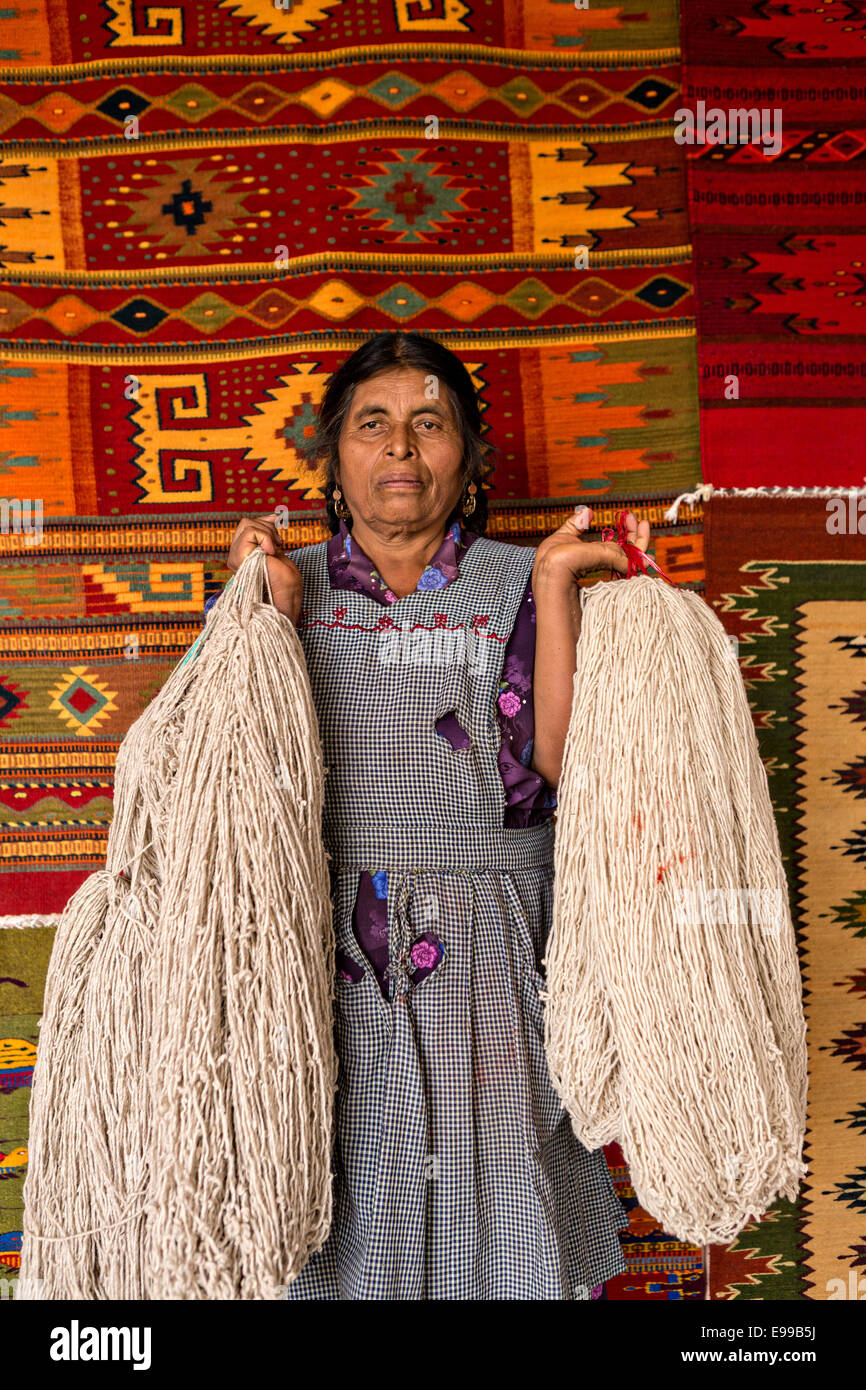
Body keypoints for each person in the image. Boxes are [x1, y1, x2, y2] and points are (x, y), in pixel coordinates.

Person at [209, 330, 653, 1300]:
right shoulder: (287, 585)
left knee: (499, 1179)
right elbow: (225, 780)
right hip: (325, 942)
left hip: (495, 938)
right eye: (373, 425)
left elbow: (557, 763)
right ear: (333, 455)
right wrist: (259, 608)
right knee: (339, 1179)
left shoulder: (517, 580)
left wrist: (550, 587)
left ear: (469, 457)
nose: (401, 449)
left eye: (427, 424)